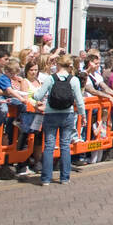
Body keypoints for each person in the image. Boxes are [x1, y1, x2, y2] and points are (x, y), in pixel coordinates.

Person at [31, 55, 86, 186]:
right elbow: (79, 101)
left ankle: (45, 179)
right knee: (65, 146)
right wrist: (83, 115)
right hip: (67, 115)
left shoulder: (51, 79)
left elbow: (38, 96)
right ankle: (65, 177)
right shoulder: (74, 80)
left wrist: (32, 94)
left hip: (51, 114)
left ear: (58, 65)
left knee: (49, 146)